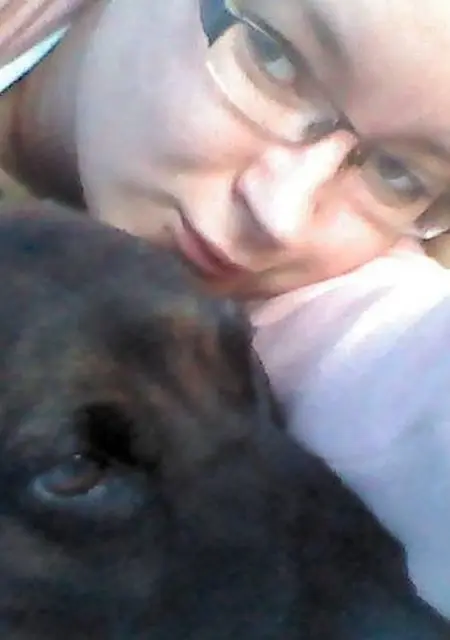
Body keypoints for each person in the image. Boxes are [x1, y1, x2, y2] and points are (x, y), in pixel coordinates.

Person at [0, 0, 450, 618]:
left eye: (399, 175)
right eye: (274, 59)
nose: (281, 215)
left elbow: (402, 357)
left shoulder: (346, 290)